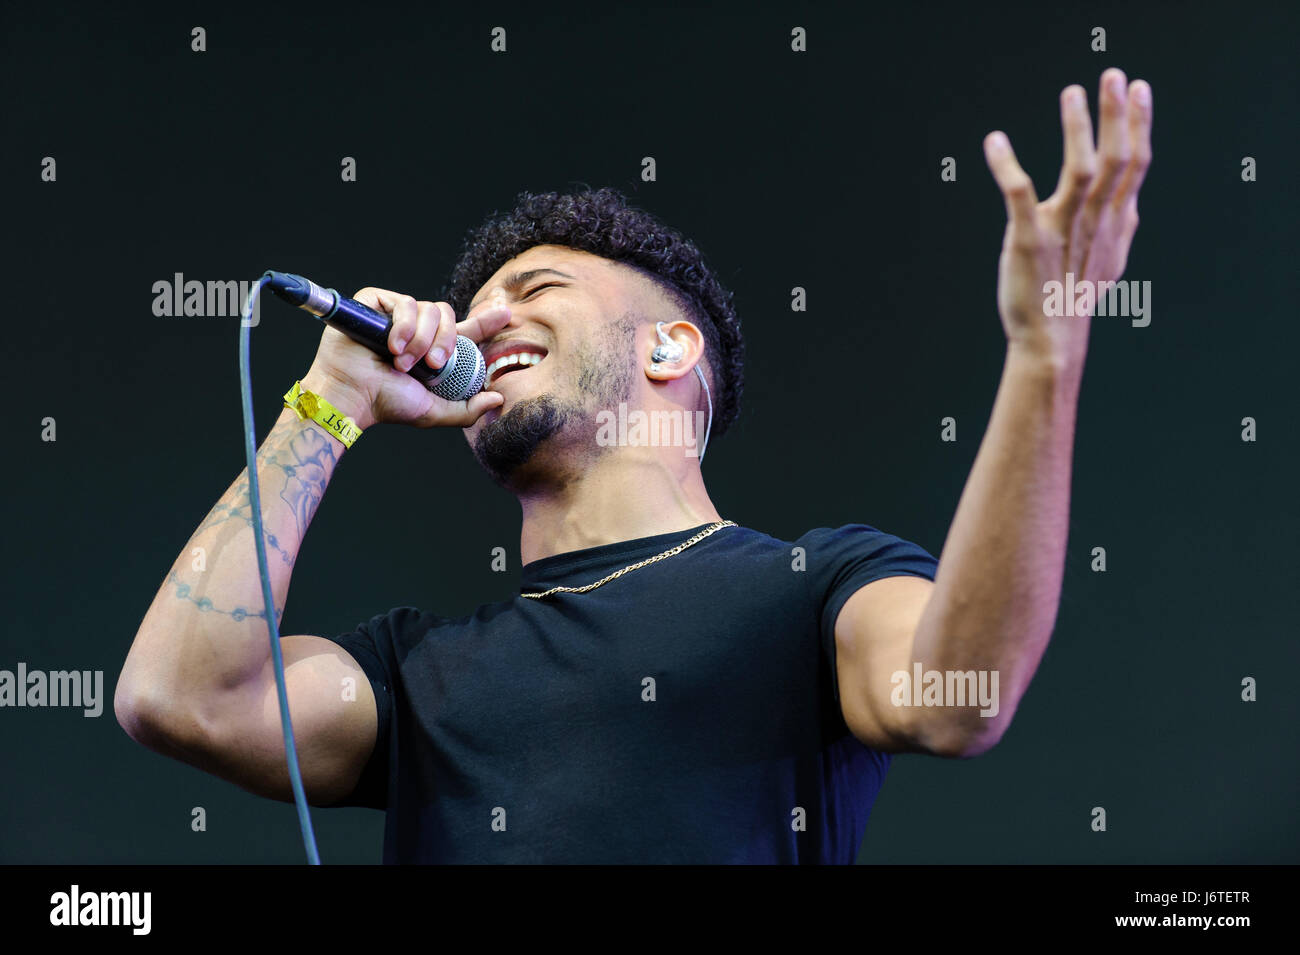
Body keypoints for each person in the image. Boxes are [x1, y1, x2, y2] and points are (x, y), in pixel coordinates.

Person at [114, 67, 1152, 863]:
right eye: (478, 303)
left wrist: (1044, 356)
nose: (488, 317)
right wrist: (328, 403)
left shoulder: (813, 590)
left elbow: (955, 697)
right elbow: (176, 697)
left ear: (669, 349)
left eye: (539, 284)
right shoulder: (415, 672)